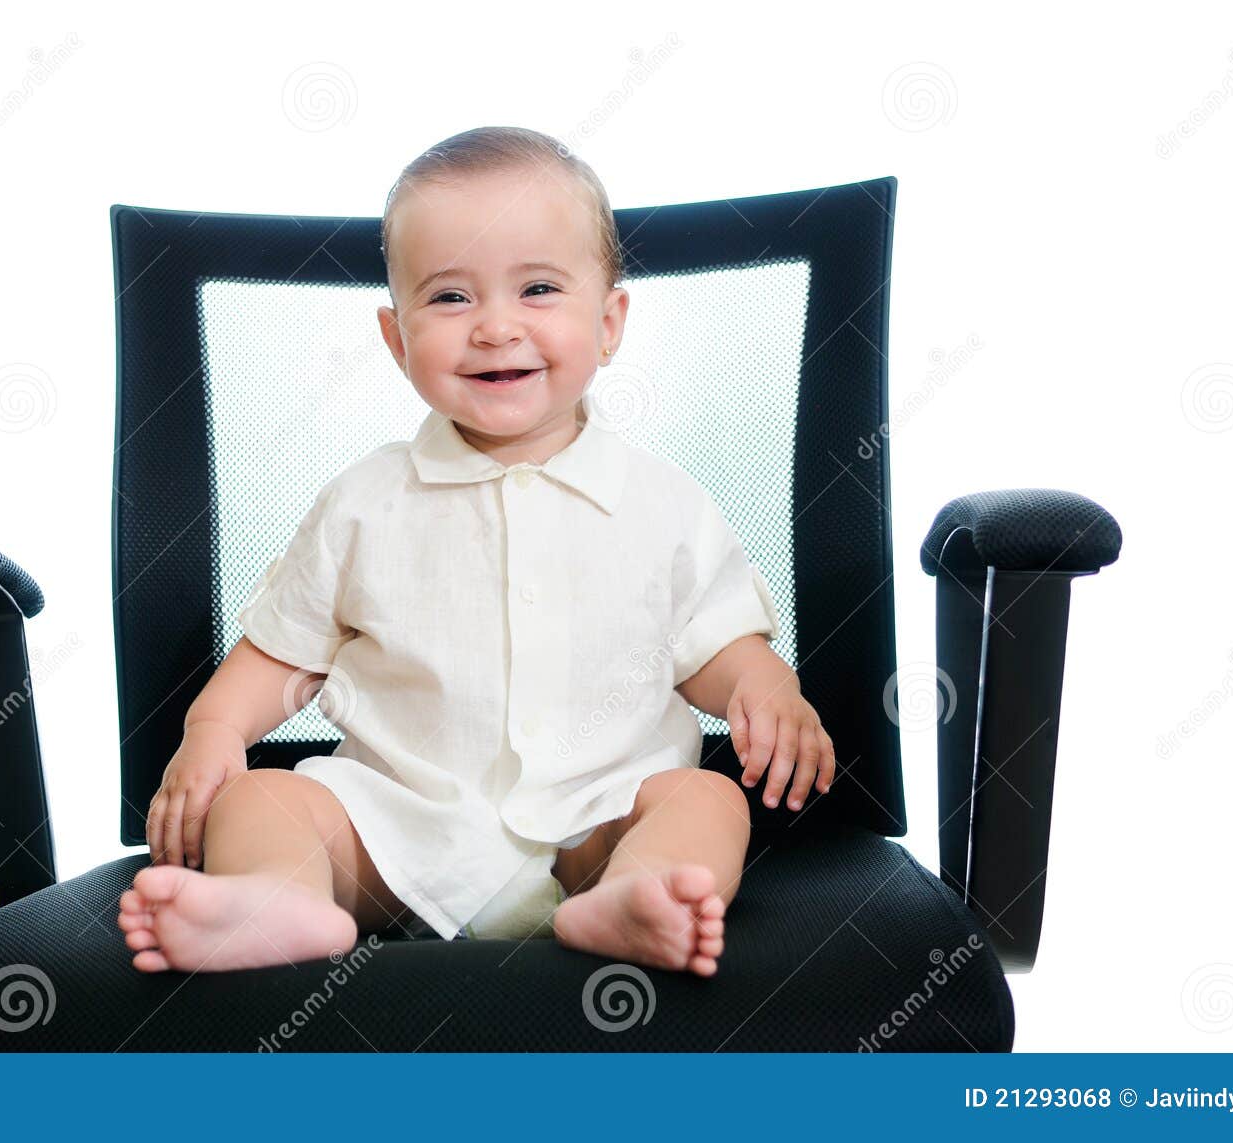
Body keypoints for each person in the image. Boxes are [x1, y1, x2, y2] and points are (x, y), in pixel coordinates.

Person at [118, 126, 835, 977]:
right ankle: (282, 901)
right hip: (395, 828)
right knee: (264, 797)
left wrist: (764, 687)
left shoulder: (664, 503)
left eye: (537, 289)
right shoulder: (363, 503)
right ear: (397, 339)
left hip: (593, 825)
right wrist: (213, 730)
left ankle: (637, 898)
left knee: (705, 799)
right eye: (451, 298)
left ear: (608, 323)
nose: (496, 328)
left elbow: (715, 645)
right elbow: (283, 654)